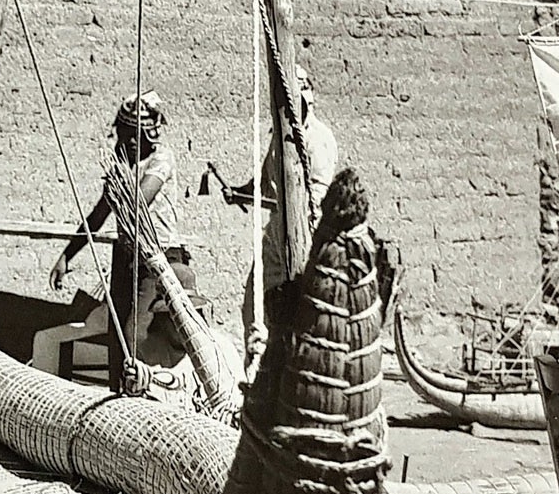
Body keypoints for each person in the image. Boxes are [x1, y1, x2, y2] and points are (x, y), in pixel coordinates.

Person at [48, 91, 187, 392]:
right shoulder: (121, 165)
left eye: (138, 133)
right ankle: (117, 395)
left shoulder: (161, 158)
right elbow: (99, 214)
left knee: (135, 336)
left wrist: (119, 181)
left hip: (156, 257)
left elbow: (139, 201)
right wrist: (67, 255)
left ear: (151, 133)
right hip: (126, 256)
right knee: (117, 336)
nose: (132, 140)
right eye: (127, 133)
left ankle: (139, 396)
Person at [239, 62, 340, 363]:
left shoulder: (319, 139)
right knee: (254, 305)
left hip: (305, 236)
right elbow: (265, 178)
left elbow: (315, 198)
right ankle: (259, 369)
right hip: (276, 236)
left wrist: (285, 209)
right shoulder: (281, 134)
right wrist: (241, 191)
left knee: (297, 308)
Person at [121, 265, 244, 417]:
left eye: (187, 315)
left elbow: (238, 404)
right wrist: (136, 388)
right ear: (162, 319)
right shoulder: (148, 356)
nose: (181, 325)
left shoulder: (222, 349)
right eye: (173, 317)